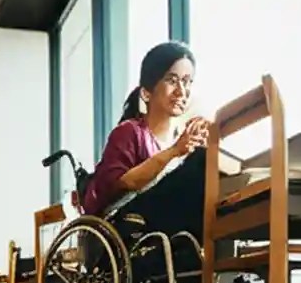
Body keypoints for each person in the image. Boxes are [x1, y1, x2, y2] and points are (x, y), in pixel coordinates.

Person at [81, 41, 210, 244]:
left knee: (207, 163)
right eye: (172, 80)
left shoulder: (181, 139)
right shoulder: (129, 132)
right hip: (125, 224)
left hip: (168, 221)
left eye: (187, 81)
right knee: (201, 162)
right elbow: (123, 183)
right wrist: (174, 152)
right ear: (146, 92)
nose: (182, 91)